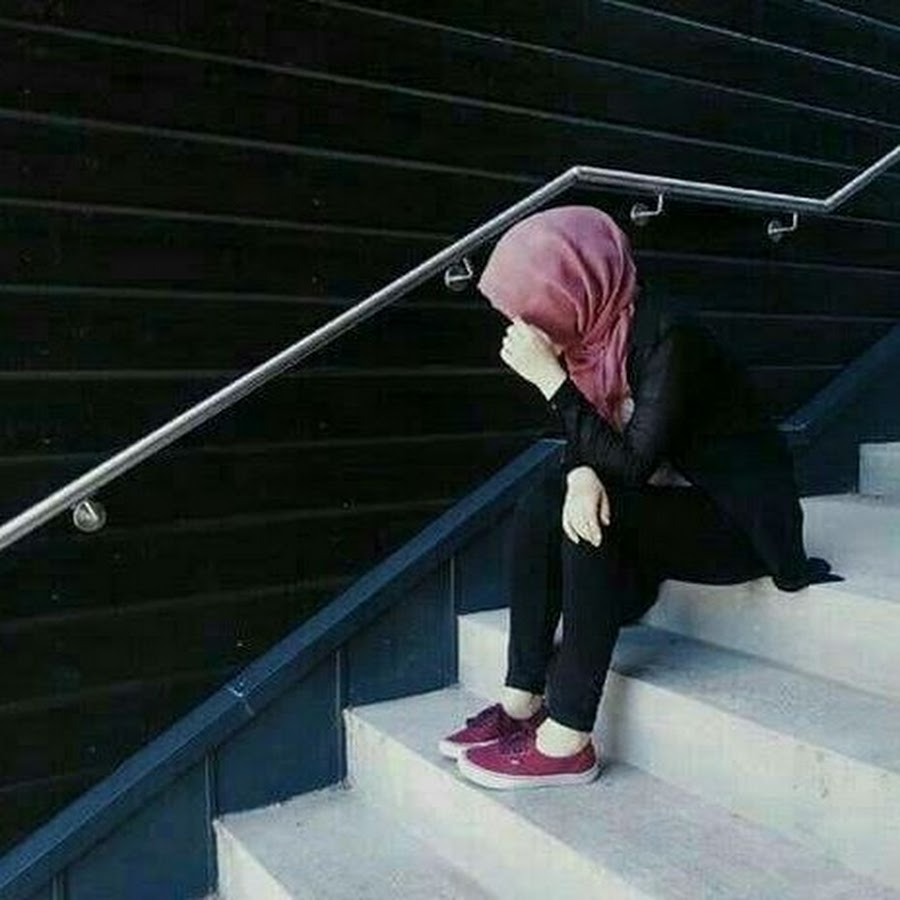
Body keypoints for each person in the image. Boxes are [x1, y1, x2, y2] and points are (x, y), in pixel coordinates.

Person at [439, 205, 839, 790]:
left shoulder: (670, 336)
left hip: (734, 521)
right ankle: (522, 699)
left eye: (532, 309)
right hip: (666, 502)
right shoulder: (589, 340)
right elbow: (595, 445)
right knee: (545, 498)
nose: (525, 328)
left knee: (597, 517)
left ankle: (568, 735)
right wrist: (579, 471)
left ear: (576, 287)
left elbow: (630, 463)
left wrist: (551, 384)